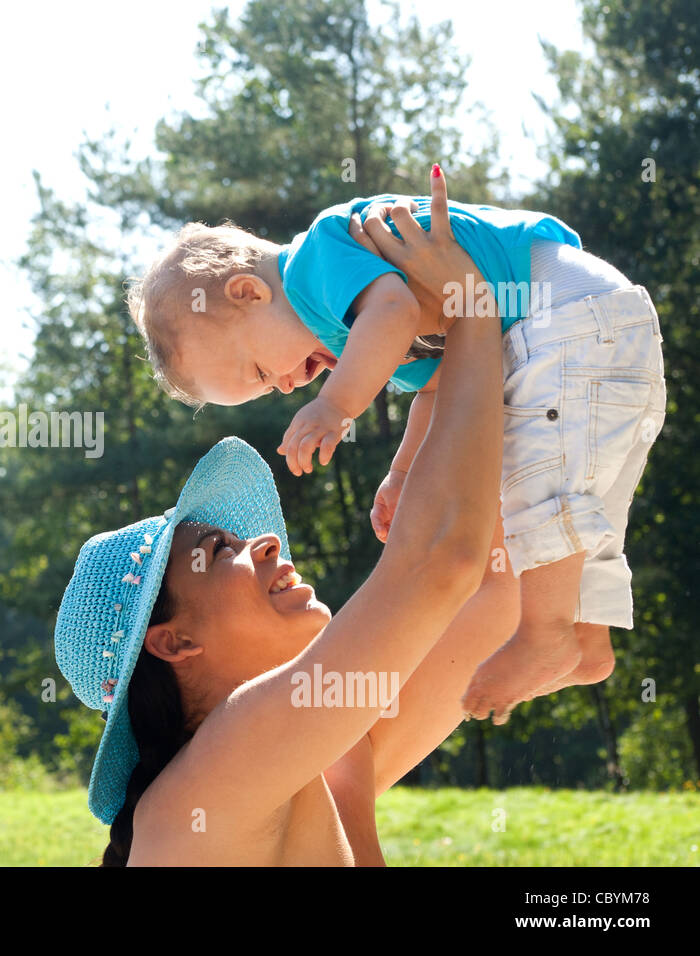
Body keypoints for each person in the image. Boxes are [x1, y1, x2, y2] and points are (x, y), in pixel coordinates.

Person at [54, 167, 510, 865]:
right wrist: (474, 311)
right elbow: (445, 562)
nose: (266, 542)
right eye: (215, 549)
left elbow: (491, 587)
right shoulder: (218, 772)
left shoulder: (325, 758)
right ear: (172, 644)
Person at [124, 166, 666, 722]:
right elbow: (440, 383)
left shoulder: (317, 260)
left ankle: (544, 630)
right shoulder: (357, 331)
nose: (285, 386)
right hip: (599, 331)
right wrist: (403, 471)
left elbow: (395, 311)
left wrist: (335, 405)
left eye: (262, 371)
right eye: (268, 389)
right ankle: (587, 636)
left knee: (540, 482)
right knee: (584, 495)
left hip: (565, 320)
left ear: (248, 291)